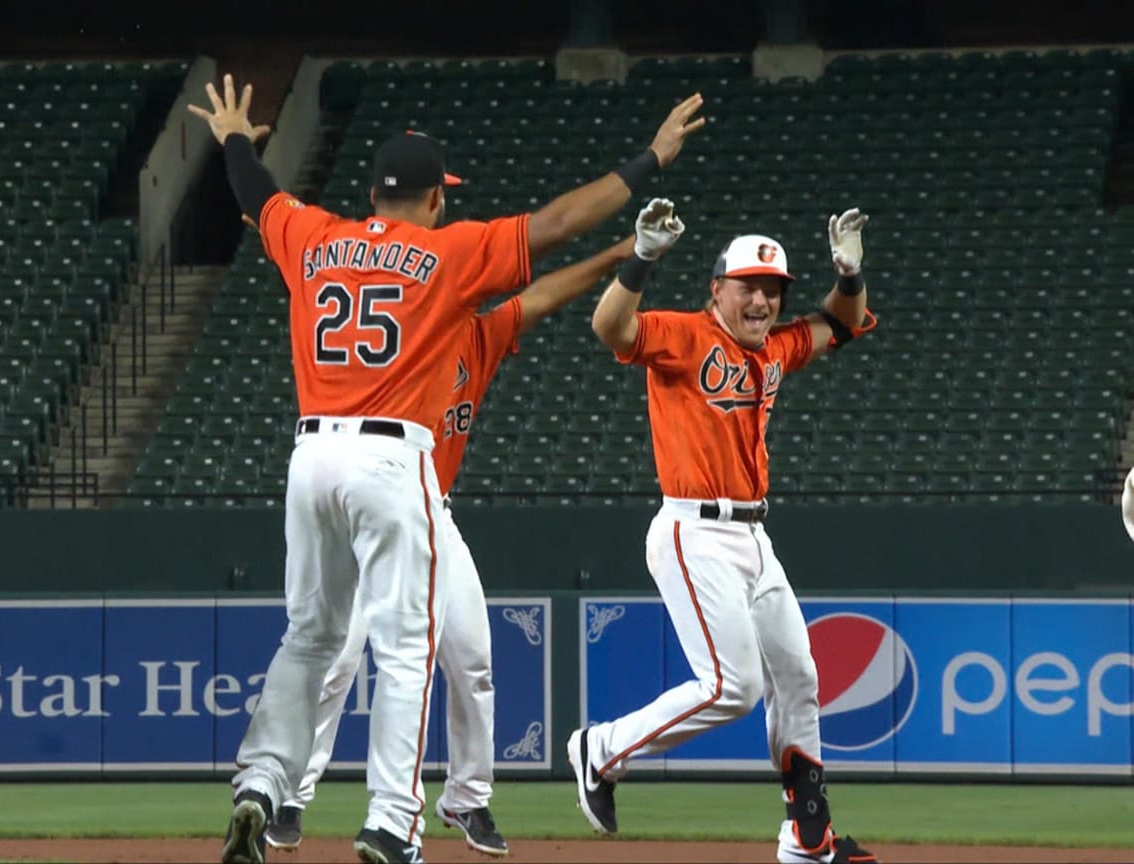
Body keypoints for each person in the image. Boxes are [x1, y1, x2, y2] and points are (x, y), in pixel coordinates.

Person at [187, 73, 704, 864]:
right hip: (390, 458)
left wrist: (231, 136)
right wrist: (650, 160)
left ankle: (261, 783)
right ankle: (393, 822)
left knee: (309, 638)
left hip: (310, 454)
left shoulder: (313, 234)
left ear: (371, 192)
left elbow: (256, 192)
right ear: (433, 200)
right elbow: (558, 222)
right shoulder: (448, 254)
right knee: (404, 649)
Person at [268, 236, 639, 859]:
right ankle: (290, 795)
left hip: (432, 512)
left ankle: (466, 796)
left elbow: (544, 293)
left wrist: (621, 257)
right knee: (337, 662)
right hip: (374, 510)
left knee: (473, 658)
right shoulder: (401, 338)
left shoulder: (480, 335)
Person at [571, 199, 881, 864]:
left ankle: (808, 836)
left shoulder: (775, 348)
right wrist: (642, 256)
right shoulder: (682, 335)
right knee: (733, 687)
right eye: (749, 287)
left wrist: (849, 275)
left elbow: (840, 325)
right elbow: (608, 326)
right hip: (692, 530)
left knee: (797, 674)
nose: (763, 301)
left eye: (772, 289)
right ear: (718, 290)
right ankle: (600, 750)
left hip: (753, 539)